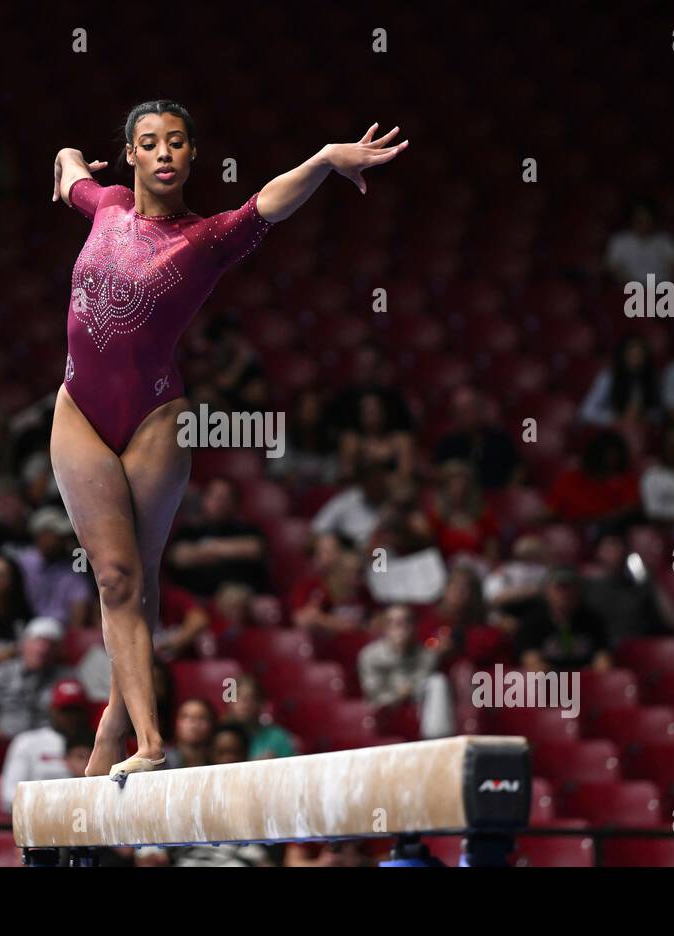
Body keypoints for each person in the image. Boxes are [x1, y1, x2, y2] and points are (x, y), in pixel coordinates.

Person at [50, 100, 407, 781]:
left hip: (154, 418)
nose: (163, 152)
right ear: (130, 154)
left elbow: (266, 204)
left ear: (190, 156)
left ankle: (130, 737)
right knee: (117, 577)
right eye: (149, 142)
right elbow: (70, 170)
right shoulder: (107, 205)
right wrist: (65, 160)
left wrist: (326, 160)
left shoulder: (207, 238)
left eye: (176, 142)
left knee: (139, 579)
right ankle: (137, 738)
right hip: (78, 413)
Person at [0, 616, 76, 742]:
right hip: (5, 740)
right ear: (23, 644)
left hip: (49, 743)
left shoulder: (67, 679)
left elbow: (73, 718)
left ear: (59, 650)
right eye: (38, 642)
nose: (43, 649)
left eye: (51, 644)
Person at [357, 605, 454, 738]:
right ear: (385, 628)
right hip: (386, 714)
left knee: (437, 681)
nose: (400, 627)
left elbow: (421, 686)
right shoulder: (370, 655)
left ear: (413, 626)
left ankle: (439, 741)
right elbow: (373, 696)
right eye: (393, 623)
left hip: (420, 712)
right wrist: (399, 693)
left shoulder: (426, 655)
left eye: (405, 622)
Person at [0, 678, 93, 812]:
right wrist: (56, 805)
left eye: (77, 710)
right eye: (66, 710)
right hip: (40, 821)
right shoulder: (27, 742)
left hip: (85, 819)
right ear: (52, 710)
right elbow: (8, 796)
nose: (72, 716)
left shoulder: (100, 742)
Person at [167, 478, 270, 597]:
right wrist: (229, 552)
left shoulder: (246, 529)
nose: (219, 502)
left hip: (237, 596)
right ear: (204, 499)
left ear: (235, 503)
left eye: (225, 498)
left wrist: (206, 548)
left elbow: (255, 549)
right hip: (193, 596)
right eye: (214, 496)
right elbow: (178, 557)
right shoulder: (189, 530)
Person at [581, 531, 674, 644]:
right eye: (608, 547)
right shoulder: (588, 587)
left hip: (636, 650)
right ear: (598, 552)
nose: (613, 552)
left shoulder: (640, 586)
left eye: (617, 545)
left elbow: (673, 621)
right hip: (602, 652)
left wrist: (650, 582)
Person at [514, 567, 613, 672]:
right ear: (546, 592)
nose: (564, 594)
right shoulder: (532, 622)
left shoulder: (593, 621)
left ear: (580, 591)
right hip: (547, 685)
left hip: (587, 684)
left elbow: (603, 661)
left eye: (570, 587)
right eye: (559, 588)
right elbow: (533, 663)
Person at [7, 507, 92, 627]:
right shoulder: (22, 563)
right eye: (57, 535)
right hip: (23, 626)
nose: (62, 540)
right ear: (41, 536)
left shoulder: (74, 566)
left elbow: (80, 606)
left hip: (60, 631)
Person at [545, 429, 641, 528]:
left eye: (616, 455)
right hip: (572, 529)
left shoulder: (626, 479)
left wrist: (602, 519)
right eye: (607, 455)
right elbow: (551, 512)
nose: (612, 460)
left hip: (612, 529)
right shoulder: (570, 479)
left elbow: (631, 508)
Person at [433, 386, 521, 489]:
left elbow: (518, 468)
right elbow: (438, 473)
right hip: (462, 502)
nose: (466, 416)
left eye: (470, 409)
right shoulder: (447, 444)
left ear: (480, 410)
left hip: (497, 497)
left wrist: (510, 491)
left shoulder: (500, 438)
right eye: (461, 411)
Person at [422, 459, 500, 561]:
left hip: (477, 566)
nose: (459, 487)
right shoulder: (436, 514)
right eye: (454, 482)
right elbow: (428, 545)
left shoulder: (481, 512)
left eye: (462, 482)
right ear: (445, 486)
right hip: (446, 566)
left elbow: (492, 544)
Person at [578, 335, 662, 428]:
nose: (636, 359)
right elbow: (586, 412)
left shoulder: (652, 378)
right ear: (623, 355)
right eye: (632, 355)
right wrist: (616, 418)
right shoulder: (608, 377)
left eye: (639, 355)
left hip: (643, 430)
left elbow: (659, 412)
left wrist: (644, 418)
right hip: (613, 431)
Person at [338, 392, 415, 482]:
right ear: (359, 414)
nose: (371, 416)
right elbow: (346, 473)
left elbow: (405, 474)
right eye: (366, 411)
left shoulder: (401, 440)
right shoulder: (351, 440)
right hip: (360, 490)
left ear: (384, 411)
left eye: (375, 411)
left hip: (392, 489)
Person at [223, 673, 297, 760]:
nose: (244, 702)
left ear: (261, 704)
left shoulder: (277, 738)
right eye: (237, 696)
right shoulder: (218, 738)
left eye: (251, 697)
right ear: (229, 703)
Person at [604, 196, 674, 284]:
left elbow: (673, 270)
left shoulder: (664, 241)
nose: (643, 223)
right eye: (639, 219)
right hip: (628, 292)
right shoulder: (619, 241)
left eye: (646, 218)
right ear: (632, 218)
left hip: (660, 291)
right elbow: (613, 270)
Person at [164, 698, 217, 769]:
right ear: (177, 723)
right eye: (186, 716)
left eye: (201, 717)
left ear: (211, 724)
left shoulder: (219, 761)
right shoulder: (162, 761)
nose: (193, 722)